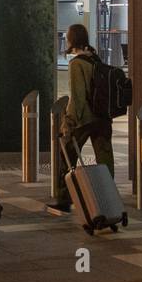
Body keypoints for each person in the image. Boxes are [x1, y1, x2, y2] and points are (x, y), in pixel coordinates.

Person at [47, 23, 115, 215]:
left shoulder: (77, 64)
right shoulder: (96, 59)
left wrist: (68, 123)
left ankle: (64, 199)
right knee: (105, 158)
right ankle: (108, 198)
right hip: (103, 118)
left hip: (86, 120)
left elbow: (77, 99)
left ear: (71, 40)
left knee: (67, 154)